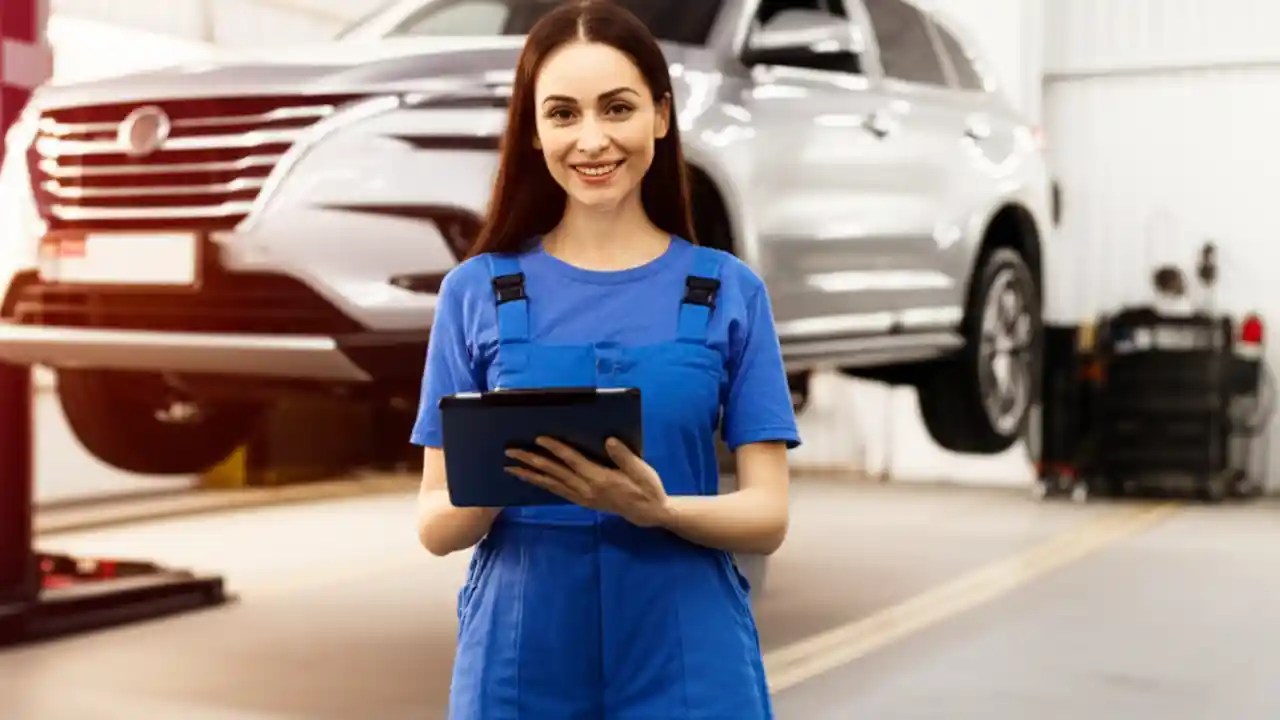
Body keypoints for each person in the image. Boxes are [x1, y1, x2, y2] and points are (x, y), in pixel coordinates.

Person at [410, 1, 801, 717]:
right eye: (563, 114)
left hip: (687, 645)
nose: (592, 140)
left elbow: (768, 513)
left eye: (616, 109)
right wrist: (504, 472)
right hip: (521, 654)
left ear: (659, 114)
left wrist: (656, 508)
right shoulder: (475, 294)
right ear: (532, 130)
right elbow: (436, 523)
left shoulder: (727, 292)